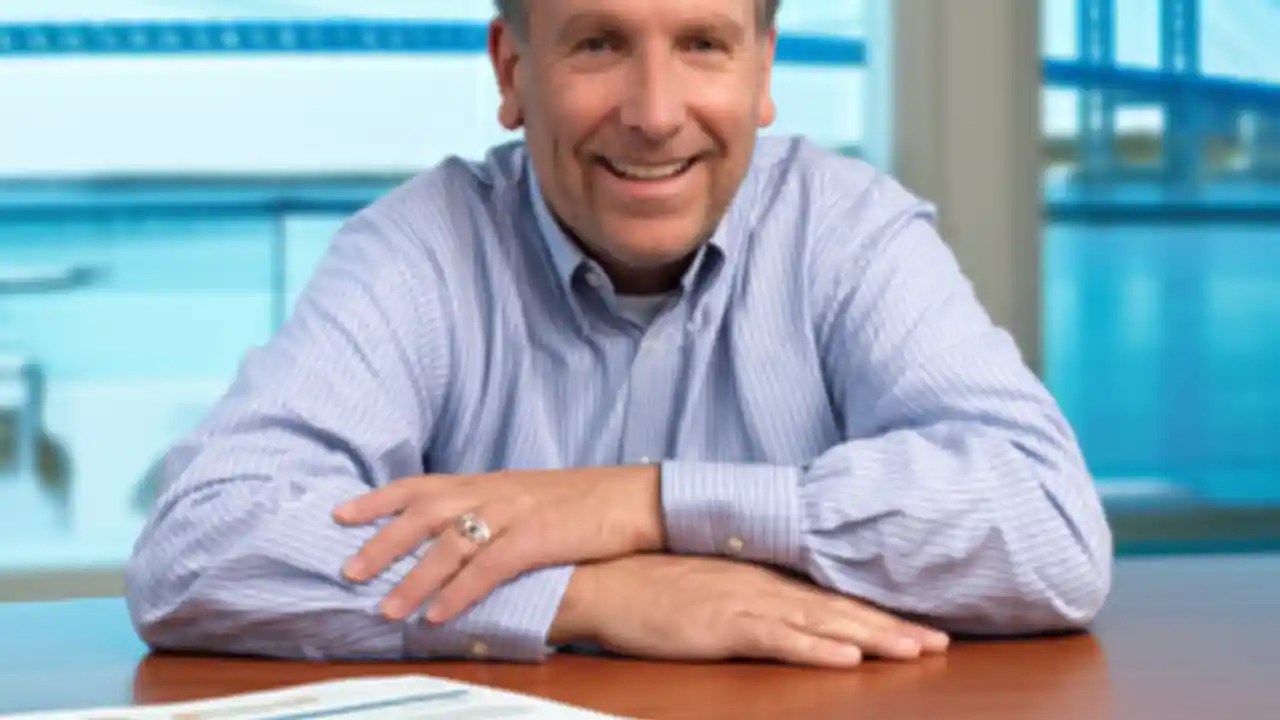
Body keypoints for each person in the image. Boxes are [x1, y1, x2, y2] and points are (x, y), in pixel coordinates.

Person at [125, 0, 1112, 668]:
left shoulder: (848, 232)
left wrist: (639, 504)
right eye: (597, 42)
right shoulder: (418, 249)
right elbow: (199, 548)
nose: (652, 114)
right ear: (513, 72)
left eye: (700, 45)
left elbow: (1050, 531)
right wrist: (580, 598)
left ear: (761, 70)